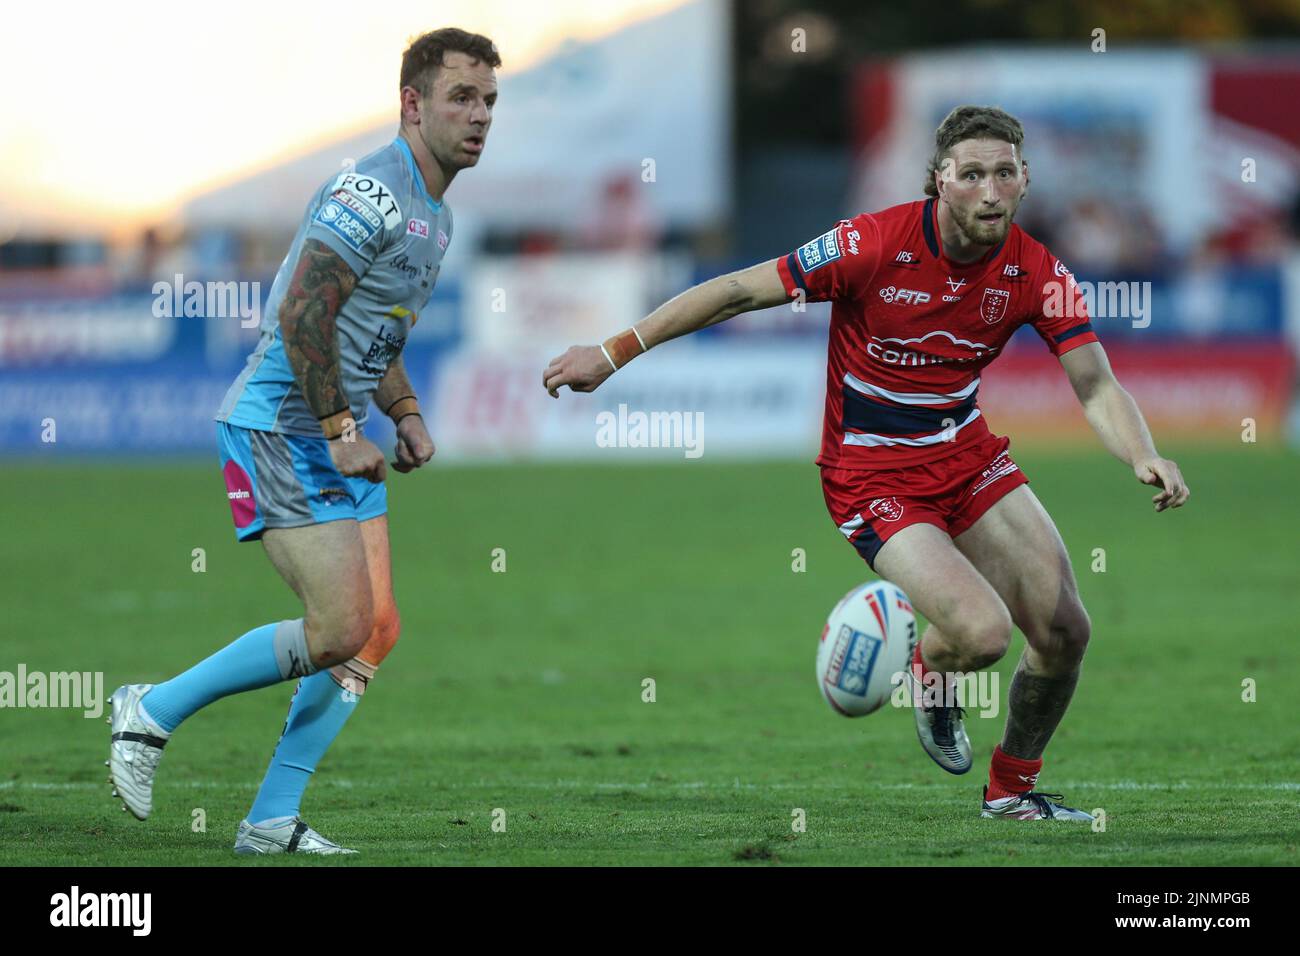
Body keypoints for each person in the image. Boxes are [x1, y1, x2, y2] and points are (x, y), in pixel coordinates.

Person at [543, 105, 1190, 821]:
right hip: (871, 476)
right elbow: (734, 292)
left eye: (1003, 173)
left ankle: (1010, 794)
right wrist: (610, 354)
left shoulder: (1038, 271)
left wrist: (1143, 452)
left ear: (1025, 180)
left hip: (967, 457)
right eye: (970, 174)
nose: (988, 190)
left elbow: (1095, 382)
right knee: (982, 635)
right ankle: (930, 667)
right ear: (938, 181)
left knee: (1066, 631)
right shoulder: (870, 243)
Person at [107, 28, 500, 853]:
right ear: (412, 102)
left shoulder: (437, 217)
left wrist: (407, 412)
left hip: (341, 432)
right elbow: (304, 313)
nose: (479, 116)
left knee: (376, 629)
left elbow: (374, 333)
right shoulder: (375, 192)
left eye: (490, 100)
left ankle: (270, 820)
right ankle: (151, 711)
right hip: (284, 427)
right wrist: (341, 426)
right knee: (338, 628)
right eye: (461, 96)